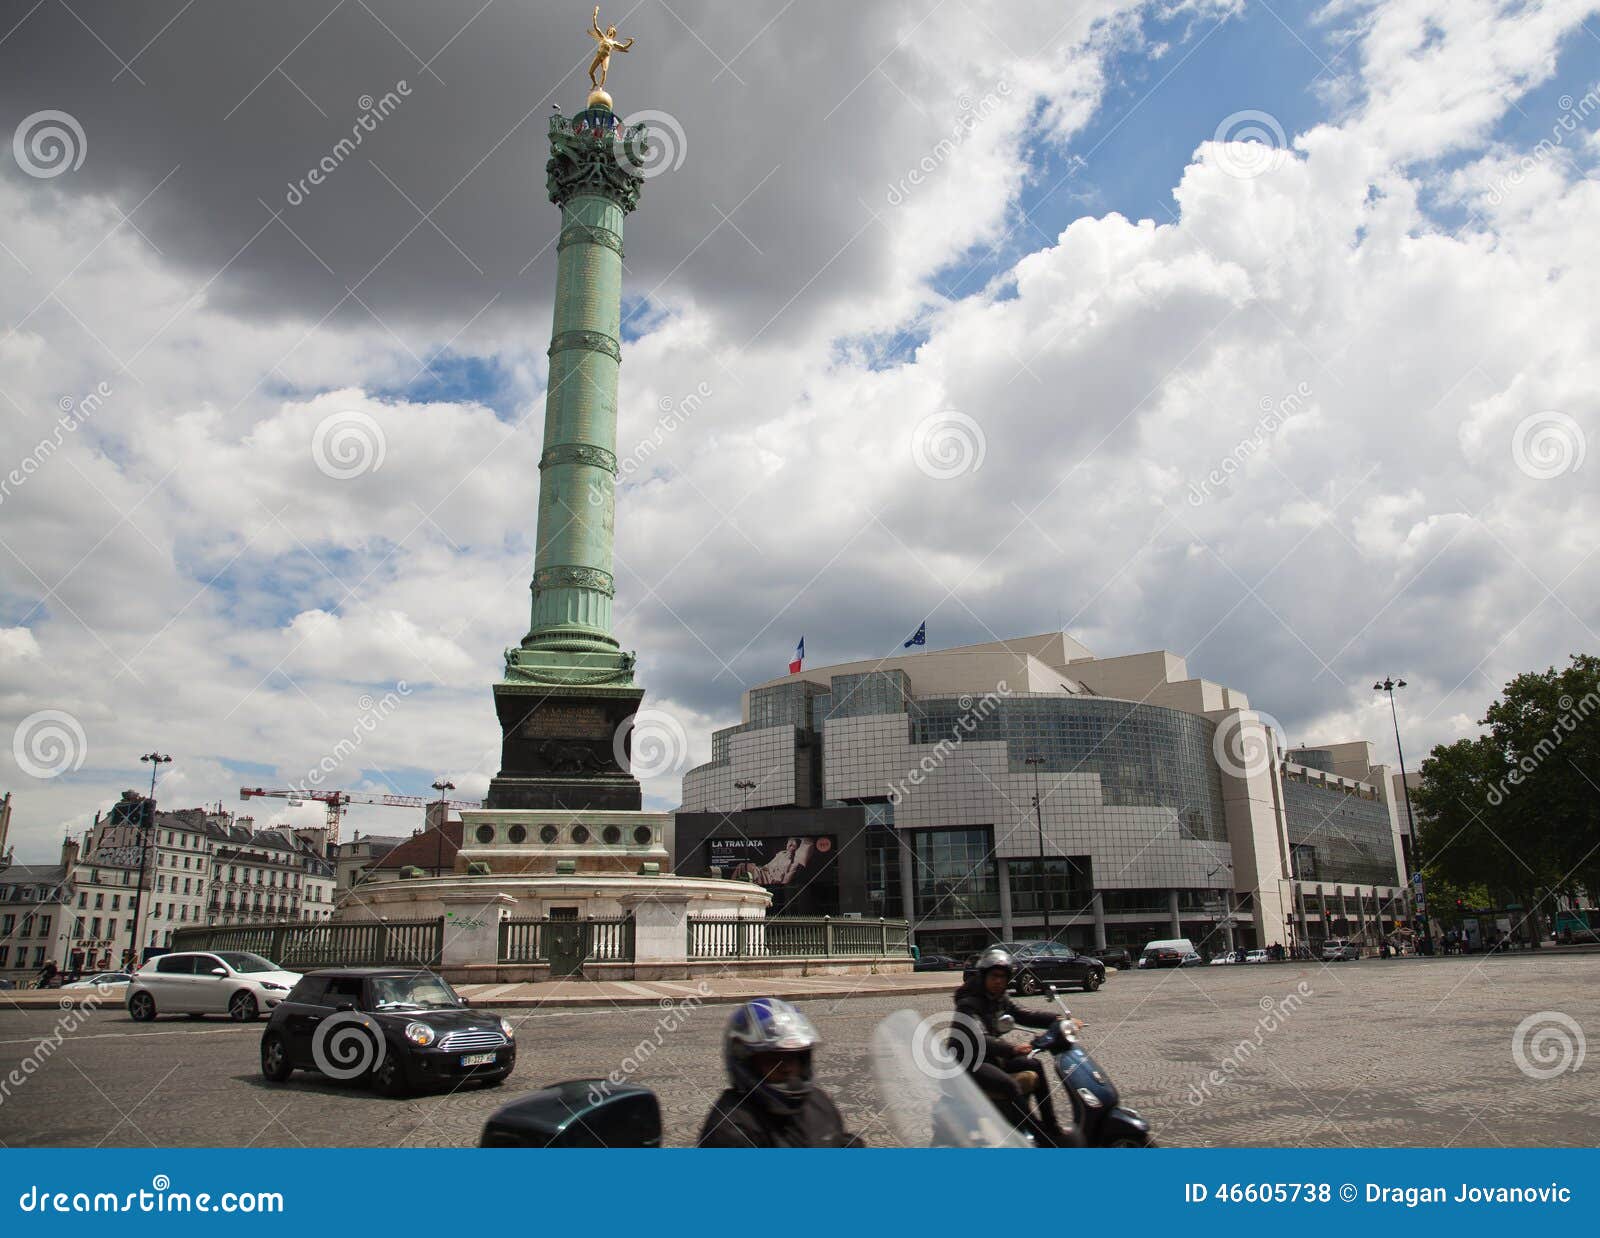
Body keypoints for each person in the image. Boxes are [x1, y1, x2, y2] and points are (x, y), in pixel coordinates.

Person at [952, 947, 1079, 1147]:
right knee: (1010, 1086)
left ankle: (1052, 1126)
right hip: (969, 1062)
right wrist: (1011, 1049)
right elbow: (979, 1038)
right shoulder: (968, 1004)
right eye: (994, 976)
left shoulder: (999, 998)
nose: (998, 981)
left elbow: (1024, 1014)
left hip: (991, 1057)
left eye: (1002, 977)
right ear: (984, 977)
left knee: (1035, 1065)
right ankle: (1039, 1135)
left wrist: (1058, 1020)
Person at [697, 998, 861, 1147]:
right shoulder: (731, 1129)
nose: (787, 1068)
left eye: (794, 1058)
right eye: (773, 1059)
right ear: (747, 1063)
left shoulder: (818, 1103)